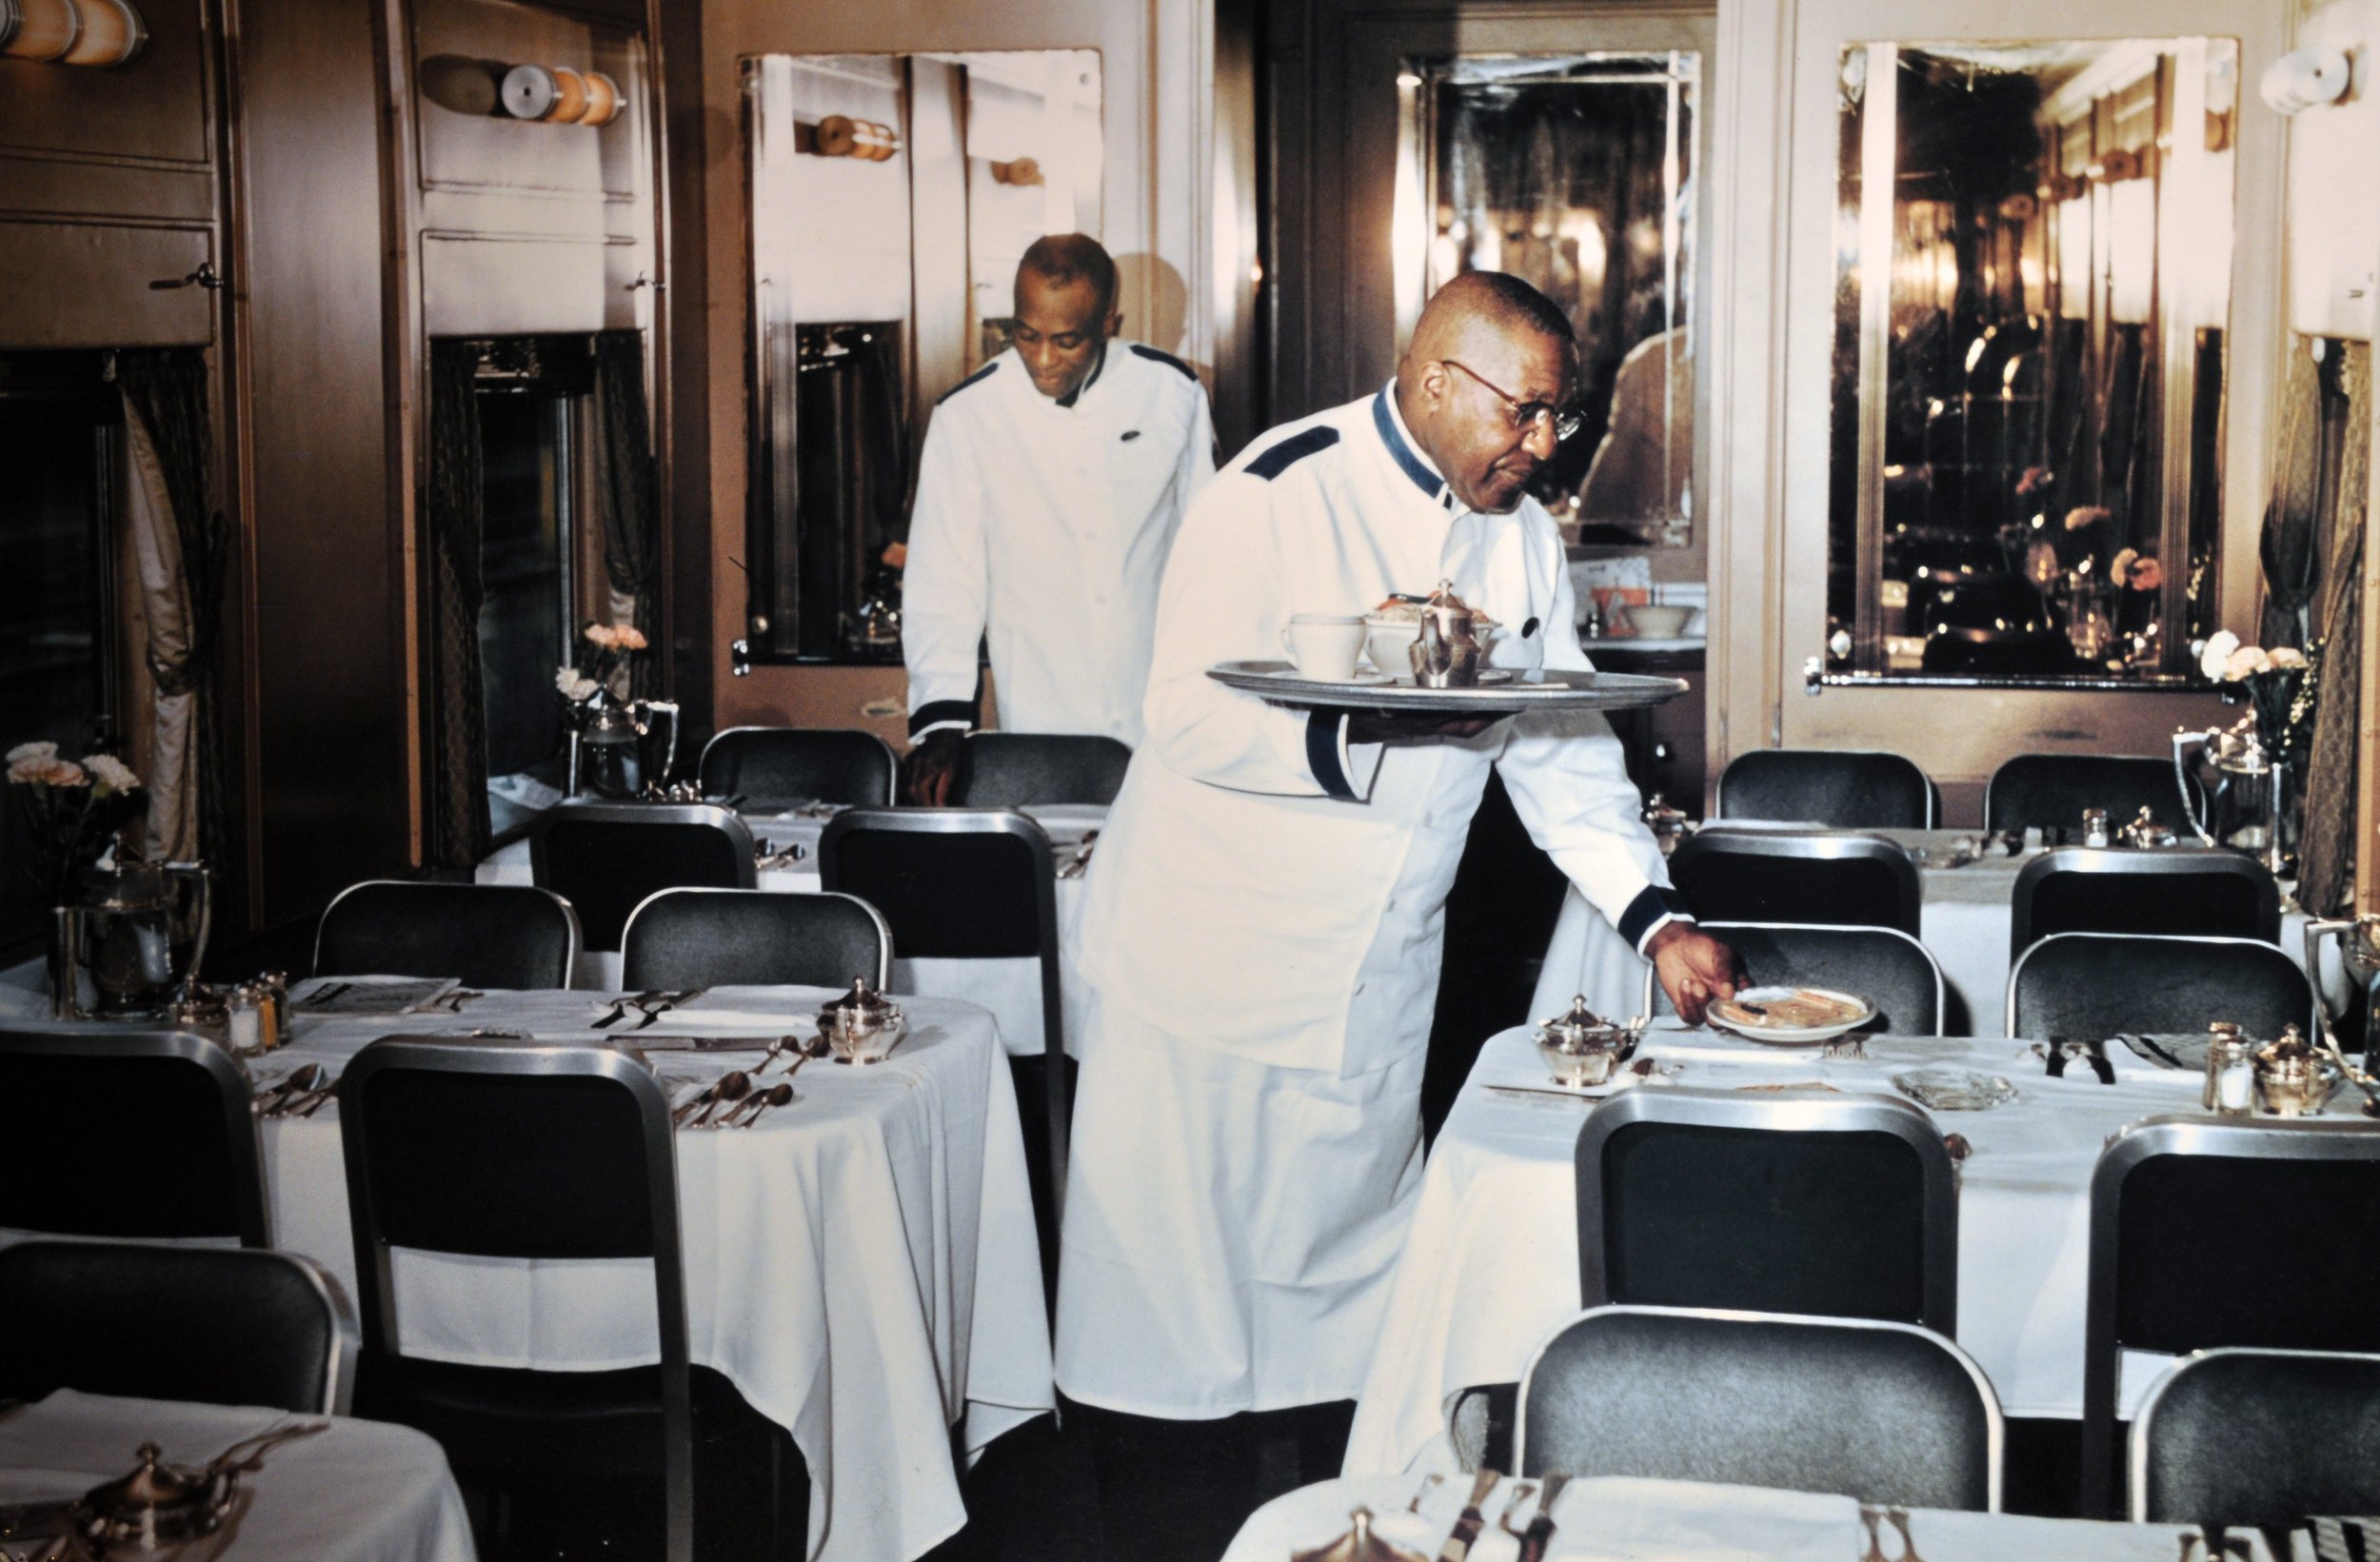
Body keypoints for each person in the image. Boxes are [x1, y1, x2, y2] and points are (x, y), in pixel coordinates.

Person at [1055, 270, 1740, 1534]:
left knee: (1344, 1356)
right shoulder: (1276, 488)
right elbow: (1184, 715)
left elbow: (1557, 743)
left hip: (1369, 991)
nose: (1541, 448)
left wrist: (1656, 916)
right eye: (1524, 414)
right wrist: (1367, 727)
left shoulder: (1520, 534)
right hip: (1205, 983)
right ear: (1436, 383)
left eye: (1558, 420)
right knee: (1170, 1350)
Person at [899, 234, 1217, 803]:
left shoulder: (1172, 393)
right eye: (1026, 335)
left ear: (1109, 325)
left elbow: (1209, 553)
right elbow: (943, 581)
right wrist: (942, 722)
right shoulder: (966, 416)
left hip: (1163, 710)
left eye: (1067, 341)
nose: (1043, 360)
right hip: (1042, 719)